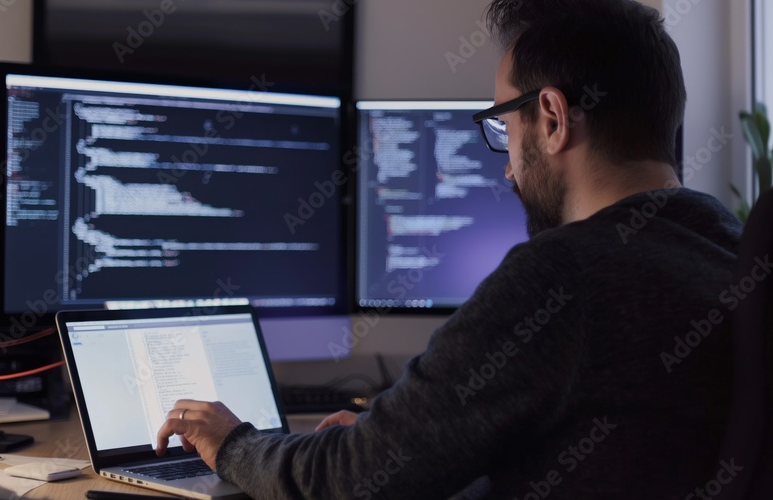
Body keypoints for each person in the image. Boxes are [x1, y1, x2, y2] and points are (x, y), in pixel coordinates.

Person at [156, 0, 744, 497]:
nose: (509, 171)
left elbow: (353, 482)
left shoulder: (561, 276)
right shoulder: (730, 249)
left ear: (552, 117)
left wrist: (234, 442)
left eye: (502, 129)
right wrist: (400, 443)